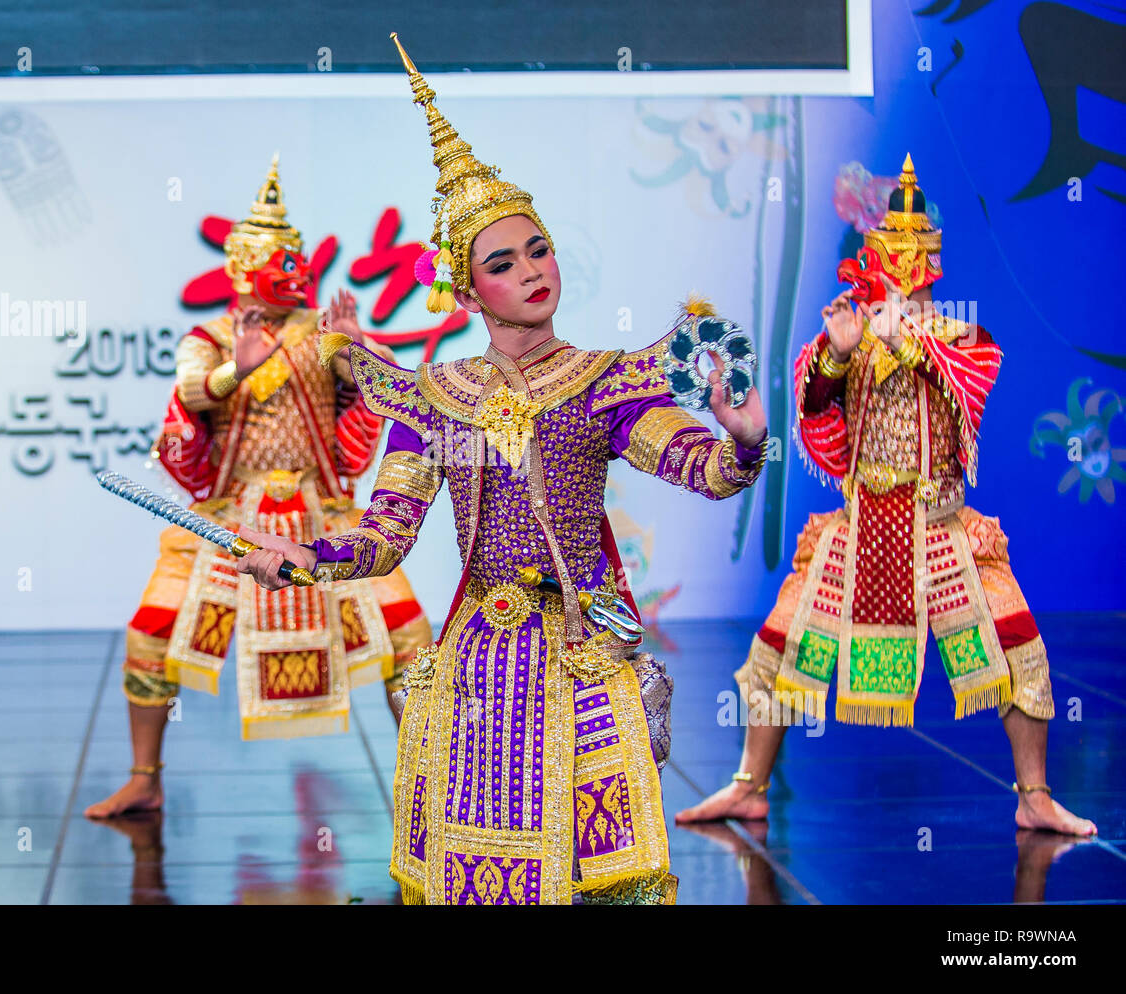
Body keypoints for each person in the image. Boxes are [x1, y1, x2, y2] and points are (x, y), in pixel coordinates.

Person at [233, 36, 768, 904]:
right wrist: (298, 559)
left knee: (605, 879)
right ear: (467, 289)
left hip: (585, 654)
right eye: (503, 262)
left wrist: (744, 442)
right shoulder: (435, 397)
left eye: (540, 249)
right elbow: (384, 538)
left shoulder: (608, 382)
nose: (532, 271)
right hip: (482, 660)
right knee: (478, 874)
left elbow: (705, 470)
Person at [676, 156, 1096, 837]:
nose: (903, 262)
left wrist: (908, 339)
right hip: (857, 528)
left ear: (932, 258)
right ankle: (749, 786)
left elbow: (967, 387)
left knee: (1020, 647)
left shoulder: (963, 338)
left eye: (914, 250)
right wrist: (842, 353)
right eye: (891, 249)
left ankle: (1035, 794)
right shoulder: (848, 334)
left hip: (942, 528)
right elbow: (813, 401)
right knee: (778, 648)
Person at [86, 154, 430, 819]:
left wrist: (358, 349)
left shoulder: (324, 333)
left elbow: (391, 388)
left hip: (323, 514)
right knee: (149, 633)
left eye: (299, 262)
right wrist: (234, 374)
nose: (297, 275)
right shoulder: (211, 336)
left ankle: (425, 785)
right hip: (227, 517)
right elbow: (190, 390)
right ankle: (145, 777)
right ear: (246, 268)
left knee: (409, 635)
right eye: (283, 263)